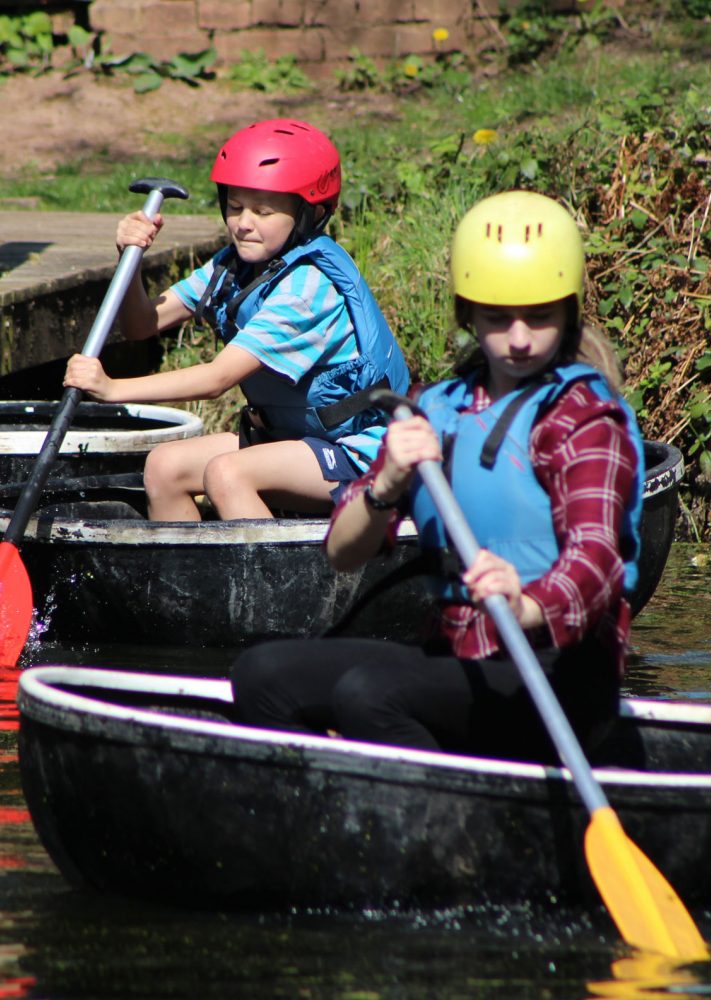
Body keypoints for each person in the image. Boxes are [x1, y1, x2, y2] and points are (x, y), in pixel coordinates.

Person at [232, 190, 645, 764]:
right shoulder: (437, 408)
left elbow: (596, 559)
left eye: (539, 317)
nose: (519, 338)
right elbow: (343, 553)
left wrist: (524, 606)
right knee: (262, 675)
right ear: (469, 315)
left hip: (558, 672)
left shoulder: (584, 419)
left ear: (568, 313)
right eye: (497, 318)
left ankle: (443, 814)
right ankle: (335, 802)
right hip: (459, 657)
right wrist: (385, 485)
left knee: (370, 694)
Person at [64, 118, 409, 521]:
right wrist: (130, 258)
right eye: (235, 206)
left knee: (227, 474)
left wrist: (112, 389)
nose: (244, 224)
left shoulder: (306, 290)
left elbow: (217, 379)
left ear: (309, 214)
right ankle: (183, 565)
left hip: (362, 452)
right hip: (293, 440)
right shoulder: (233, 268)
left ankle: (268, 566)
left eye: (263, 211)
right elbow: (141, 324)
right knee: (164, 467)